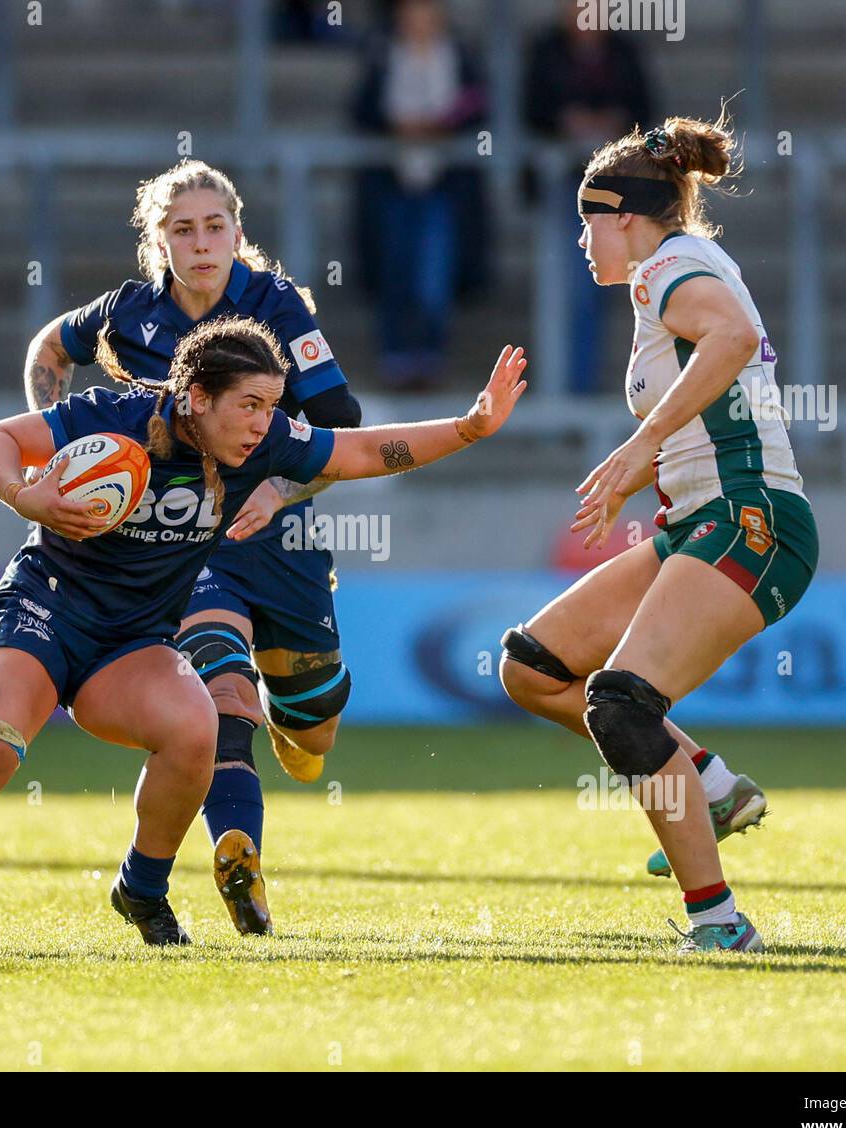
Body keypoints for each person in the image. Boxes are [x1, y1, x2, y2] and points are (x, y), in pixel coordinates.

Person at [0, 318, 527, 952]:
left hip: (132, 640)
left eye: (271, 406)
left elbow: (361, 451)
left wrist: (470, 427)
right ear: (197, 396)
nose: (264, 424)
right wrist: (25, 492)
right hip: (43, 609)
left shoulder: (265, 444)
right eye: (249, 405)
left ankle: (142, 887)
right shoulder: (118, 416)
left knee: (197, 726)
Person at [499, 113, 818, 953]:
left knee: (622, 706)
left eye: (587, 220)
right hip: (704, 519)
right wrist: (633, 472)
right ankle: (707, 781)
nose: (580, 239)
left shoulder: (668, 268)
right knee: (533, 667)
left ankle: (718, 921)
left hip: (752, 520)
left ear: (628, 217)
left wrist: (638, 446)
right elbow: (710, 398)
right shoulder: (677, 269)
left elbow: (734, 336)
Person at [24, 159, 363, 936]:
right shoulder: (131, 313)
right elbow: (51, 346)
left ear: (239, 235)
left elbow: (340, 416)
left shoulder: (275, 306)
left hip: (281, 538)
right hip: (184, 541)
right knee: (221, 691)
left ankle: (296, 718)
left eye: (215, 227)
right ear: (158, 242)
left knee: (313, 729)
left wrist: (282, 488)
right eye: (182, 229)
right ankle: (240, 853)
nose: (201, 242)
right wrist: (53, 446)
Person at [351, 0, 489, 390]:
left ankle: (430, 352)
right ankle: (394, 352)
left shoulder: (459, 55)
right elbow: (362, 110)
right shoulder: (381, 55)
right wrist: (396, 124)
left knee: (434, 272)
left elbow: (479, 108)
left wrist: (443, 124)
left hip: (443, 186)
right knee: (394, 266)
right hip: (393, 183)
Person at [523, 0, 653, 395]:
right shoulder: (545, 51)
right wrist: (566, 124)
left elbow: (645, 114)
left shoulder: (624, 53)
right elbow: (532, 113)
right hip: (562, 186)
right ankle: (570, 390)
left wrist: (615, 127)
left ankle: (588, 387)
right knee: (572, 288)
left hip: (616, 193)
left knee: (598, 289)